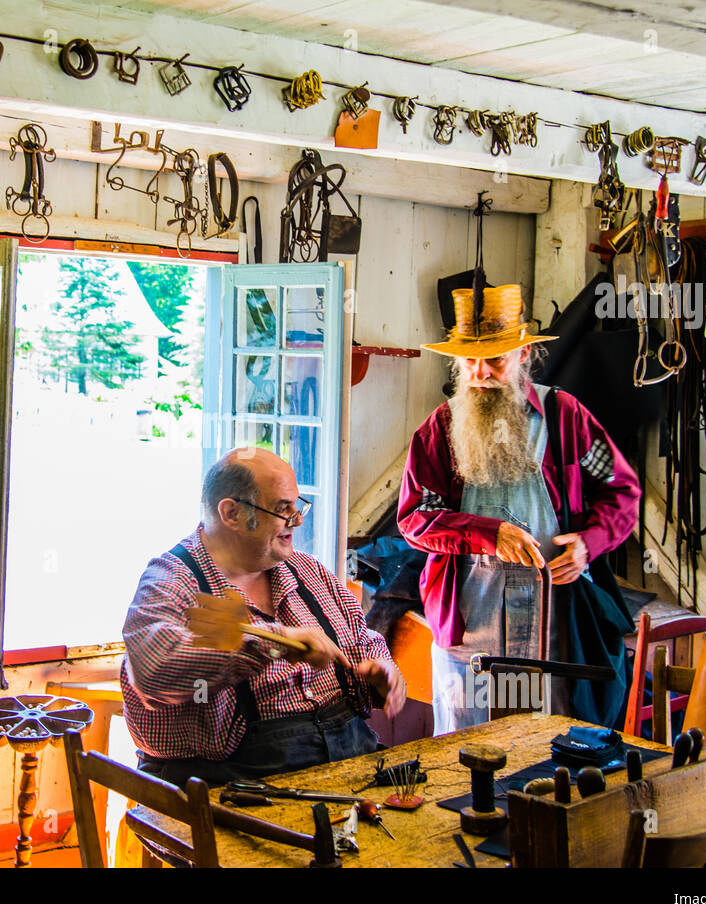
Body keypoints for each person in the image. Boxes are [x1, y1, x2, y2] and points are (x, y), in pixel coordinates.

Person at [398, 283, 640, 734]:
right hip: (472, 617)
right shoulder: (439, 429)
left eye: (495, 359)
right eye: (469, 361)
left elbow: (620, 489)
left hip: (554, 610)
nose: (481, 373)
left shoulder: (565, 416)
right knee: (468, 745)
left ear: (524, 356)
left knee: (544, 740)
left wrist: (589, 544)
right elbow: (416, 518)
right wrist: (487, 533)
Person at [122, 447, 405, 786]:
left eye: (297, 506)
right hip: (235, 788)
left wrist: (380, 673)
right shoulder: (173, 582)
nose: (298, 519)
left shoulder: (308, 571)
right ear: (231, 513)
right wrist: (272, 643)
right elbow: (155, 672)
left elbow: (362, 641)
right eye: (282, 509)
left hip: (348, 767)